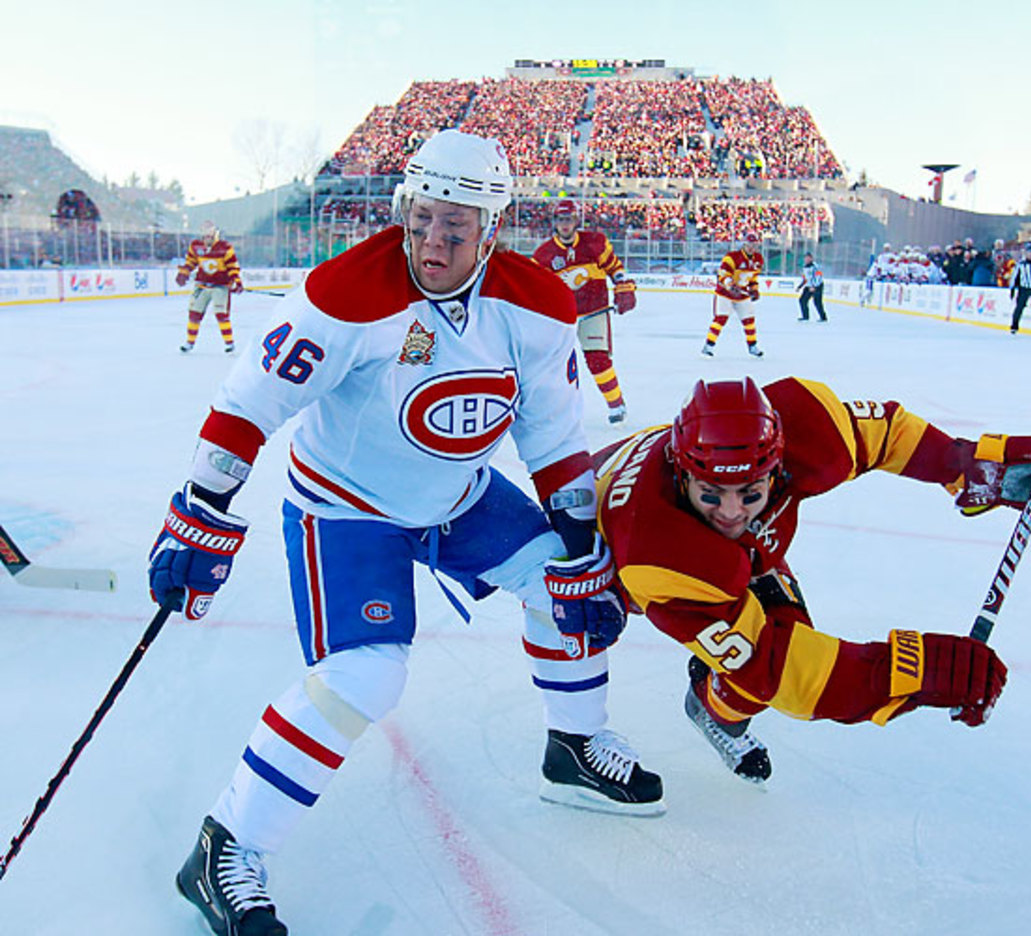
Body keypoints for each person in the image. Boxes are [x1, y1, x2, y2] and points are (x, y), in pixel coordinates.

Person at [149, 129, 662, 936]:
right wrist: (199, 509)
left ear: (491, 227)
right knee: (365, 676)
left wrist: (582, 538)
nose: (431, 241)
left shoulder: (536, 302)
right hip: (347, 507)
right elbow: (250, 403)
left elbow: (555, 437)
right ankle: (225, 846)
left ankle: (573, 745)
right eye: (419, 218)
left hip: (460, 496)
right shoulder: (349, 292)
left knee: (568, 583)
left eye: (454, 226)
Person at [594, 376, 1031, 783]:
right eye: (711, 493)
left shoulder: (806, 427)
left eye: (751, 493)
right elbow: (777, 669)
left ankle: (715, 698)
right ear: (682, 474)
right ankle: (711, 709)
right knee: (754, 670)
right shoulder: (660, 553)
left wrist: (970, 465)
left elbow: (886, 434)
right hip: (610, 565)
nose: (731, 514)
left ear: (777, 464)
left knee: (785, 620)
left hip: (699, 550)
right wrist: (912, 671)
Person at [532, 198, 637, 423]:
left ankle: (616, 404)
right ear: (555, 223)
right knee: (554, 363)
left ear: (576, 221)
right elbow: (535, 287)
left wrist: (623, 286)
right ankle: (557, 410)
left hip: (594, 310)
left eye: (569, 219)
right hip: (561, 315)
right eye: (561, 220)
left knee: (598, 359)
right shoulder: (543, 254)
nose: (565, 225)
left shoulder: (594, 243)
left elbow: (615, 268)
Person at [176, 220, 244, 353]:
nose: (208, 239)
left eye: (210, 236)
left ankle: (229, 343)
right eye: (205, 236)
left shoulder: (225, 247)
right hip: (201, 286)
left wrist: (236, 281)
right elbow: (191, 261)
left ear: (215, 234)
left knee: (221, 315)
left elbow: (232, 267)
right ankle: (189, 342)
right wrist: (184, 272)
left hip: (220, 287)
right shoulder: (196, 246)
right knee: (194, 314)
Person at [702, 231, 764, 358]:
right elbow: (723, 274)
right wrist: (730, 285)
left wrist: (754, 289)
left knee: (749, 321)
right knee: (721, 319)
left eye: (754, 245)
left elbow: (753, 278)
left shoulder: (758, 259)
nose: (751, 248)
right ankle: (709, 345)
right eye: (749, 245)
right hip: (725, 293)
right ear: (744, 245)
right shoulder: (732, 257)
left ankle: (752, 346)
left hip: (742, 294)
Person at [796, 251, 827, 322]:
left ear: (811, 259)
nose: (806, 259)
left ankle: (823, 317)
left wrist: (814, 287)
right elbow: (805, 278)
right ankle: (805, 316)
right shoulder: (805, 267)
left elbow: (818, 277)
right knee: (802, 300)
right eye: (805, 258)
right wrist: (800, 286)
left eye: (808, 258)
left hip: (817, 286)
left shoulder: (815, 267)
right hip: (808, 286)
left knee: (817, 302)